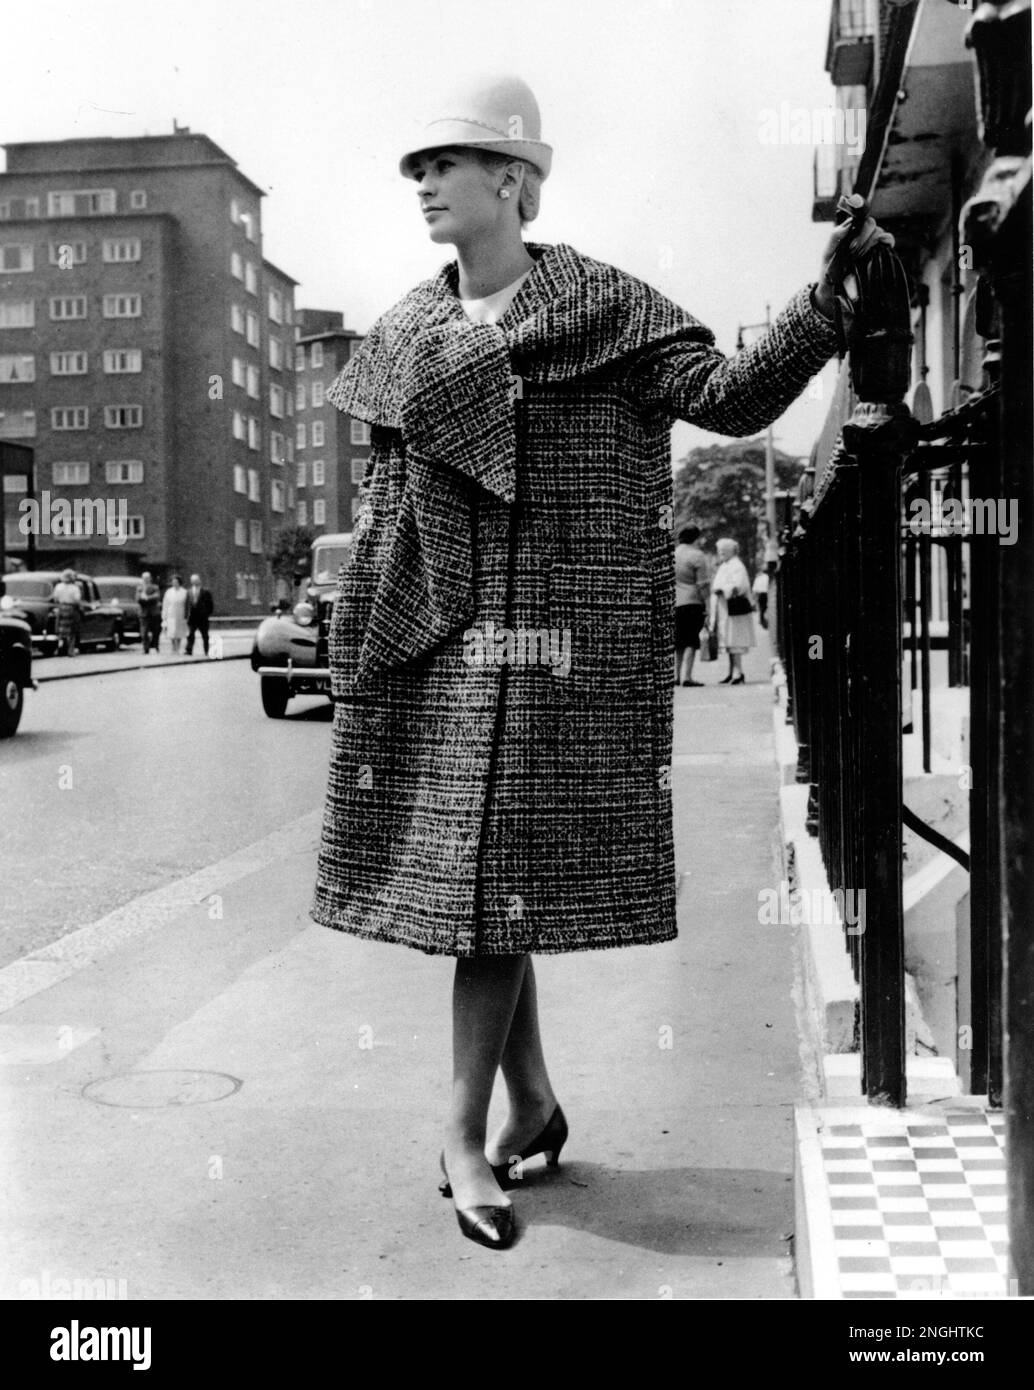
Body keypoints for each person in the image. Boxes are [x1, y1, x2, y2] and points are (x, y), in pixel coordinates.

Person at [309, 72, 884, 1252]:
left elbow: (728, 395)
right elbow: (381, 501)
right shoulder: (407, 335)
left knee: (488, 885)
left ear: (511, 181)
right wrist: (361, 631)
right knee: (485, 882)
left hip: (566, 642)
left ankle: (462, 1138)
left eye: (445, 163)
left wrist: (825, 307)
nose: (421, 183)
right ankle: (534, 1102)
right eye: (412, 167)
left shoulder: (601, 310)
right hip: (443, 640)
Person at [711, 538, 755, 684]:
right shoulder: (726, 565)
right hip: (725, 607)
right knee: (729, 640)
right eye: (719, 552)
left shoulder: (737, 565)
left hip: (735, 607)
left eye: (723, 551)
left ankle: (739, 672)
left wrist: (723, 589)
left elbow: (739, 585)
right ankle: (731, 671)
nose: (720, 554)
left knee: (734, 640)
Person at [673, 525, 710, 686]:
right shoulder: (697, 556)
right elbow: (702, 584)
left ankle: (675, 676)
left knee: (678, 641)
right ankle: (687, 677)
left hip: (674, 602)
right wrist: (707, 605)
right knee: (690, 640)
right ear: (695, 538)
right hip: (692, 602)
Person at [52, 569, 82, 657]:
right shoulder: (74, 588)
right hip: (71, 608)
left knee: (61, 631)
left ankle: (60, 649)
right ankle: (70, 650)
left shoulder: (58, 586)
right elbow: (77, 600)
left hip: (61, 608)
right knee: (72, 631)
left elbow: (55, 598)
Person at [184, 574, 214, 656]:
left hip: (202, 618)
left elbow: (210, 604)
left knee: (205, 635)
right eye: (193, 580)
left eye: (196, 580)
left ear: (199, 581)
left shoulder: (205, 592)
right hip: (192, 617)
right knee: (190, 634)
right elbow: (187, 604)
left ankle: (206, 650)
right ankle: (188, 650)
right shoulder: (189, 591)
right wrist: (186, 616)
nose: (194, 582)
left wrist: (207, 614)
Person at [136, 572, 161, 654]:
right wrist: (145, 598)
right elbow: (138, 599)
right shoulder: (139, 588)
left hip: (154, 612)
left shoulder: (155, 587)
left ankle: (156, 646)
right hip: (144, 613)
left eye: (147, 578)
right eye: (144, 578)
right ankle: (145, 648)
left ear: (150, 578)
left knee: (156, 631)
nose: (146, 580)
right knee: (144, 632)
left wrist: (147, 598)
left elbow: (157, 596)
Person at [162, 575, 188, 654]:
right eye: (173, 582)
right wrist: (164, 615)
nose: (174, 584)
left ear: (179, 582)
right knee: (172, 632)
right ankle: (173, 647)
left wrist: (186, 616)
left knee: (179, 632)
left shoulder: (184, 592)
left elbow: (186, 605)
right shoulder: (169, 592)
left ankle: (178, 647)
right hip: (171, 614)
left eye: (176, 582)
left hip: (180, 614)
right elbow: (165, 604)